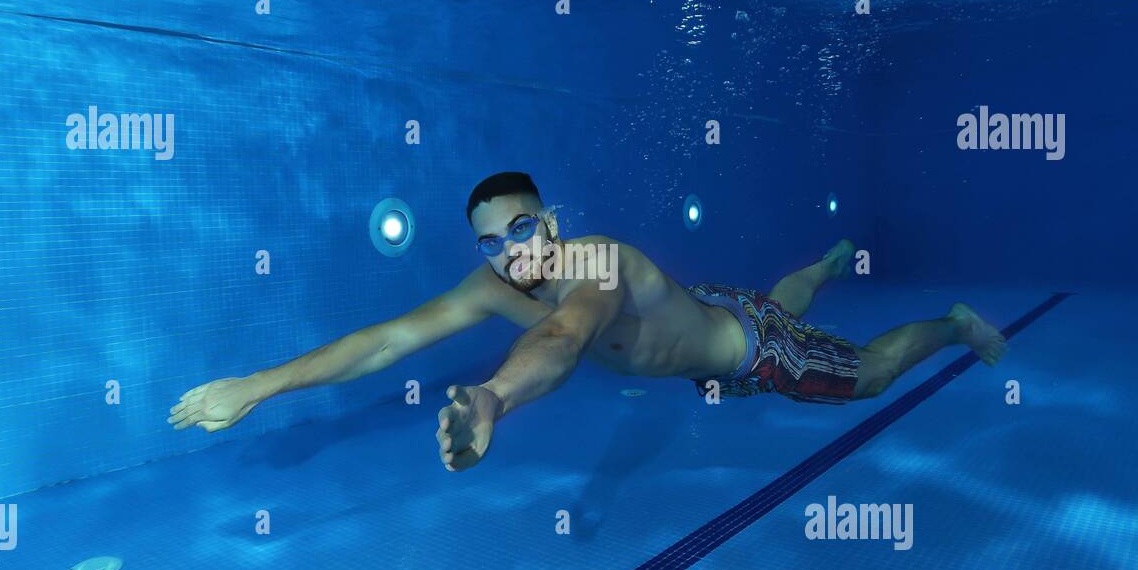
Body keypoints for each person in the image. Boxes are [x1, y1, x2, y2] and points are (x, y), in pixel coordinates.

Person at [169, 171, 1006, 470]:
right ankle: (824, 267)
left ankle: (953, 323)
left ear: (555, 225)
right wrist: (260, 384)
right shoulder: (494, 285)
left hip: (749, 353)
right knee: (779, 300)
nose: (513, 255)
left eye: (525, 230)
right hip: (719, 316)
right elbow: (386, 339)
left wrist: (493, 399)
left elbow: (567, 337)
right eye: (494, 244)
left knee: (863, 375)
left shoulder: (595, 263)